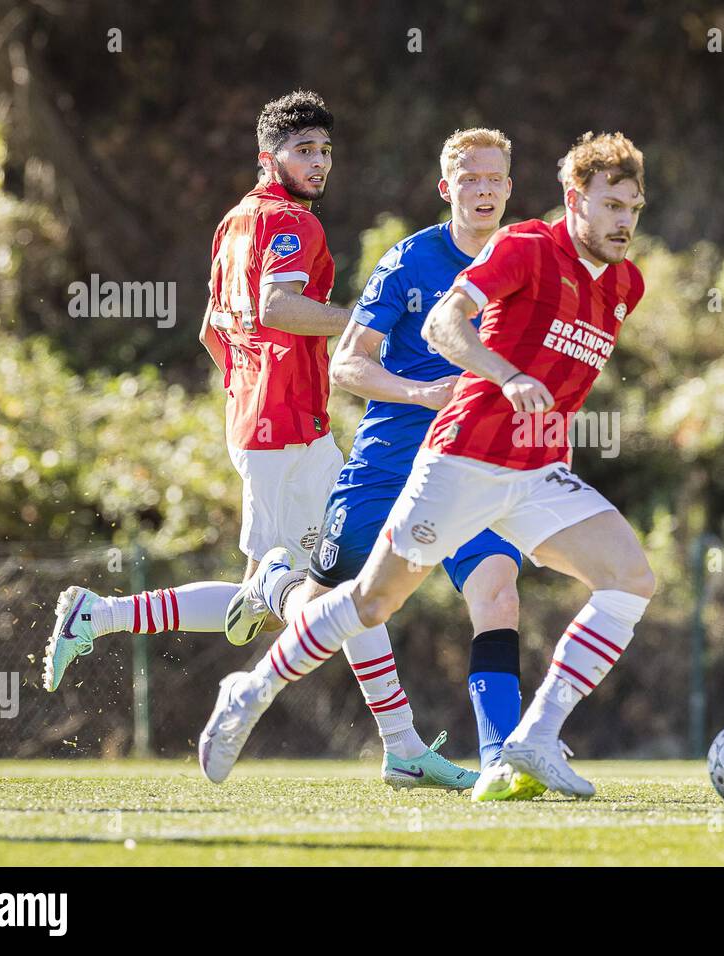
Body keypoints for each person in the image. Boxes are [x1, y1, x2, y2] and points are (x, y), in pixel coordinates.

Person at [198, 132, 653, 802]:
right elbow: (444, 326)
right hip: (463, 457)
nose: (623, 220)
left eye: (633, 208)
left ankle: (529, 738)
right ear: (572, 199)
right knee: (371, 600)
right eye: (610, 204)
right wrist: (505, 375)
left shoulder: (625, 284)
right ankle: (251, 688)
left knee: (630, 578)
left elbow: (564, 375)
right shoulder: (526, 246)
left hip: (532, 472)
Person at [229, 128, 525, 790]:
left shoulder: (525, 262)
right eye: (470, 179)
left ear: (509, 187)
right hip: (389, 465)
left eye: (495, 179)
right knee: (328, 613)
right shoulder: (409, 261)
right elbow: (347, 365)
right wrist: (424, 391)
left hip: (472, 467)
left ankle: (503, 760)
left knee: (498, 590)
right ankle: (275, 581)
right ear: (447, 189)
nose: (483, 190)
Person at [43, 91, 347, 691]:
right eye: (304, 150)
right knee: (309, 588)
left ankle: (98, 616)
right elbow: (277, 306)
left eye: (326, 151)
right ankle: (399, 742)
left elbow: (212, 330)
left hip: (280, 424)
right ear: (269, 157)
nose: (319, 162)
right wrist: (365, 321)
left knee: (275, 600)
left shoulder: (234, 221)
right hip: (281, 427)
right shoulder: (292, 220)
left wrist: (245, 387)